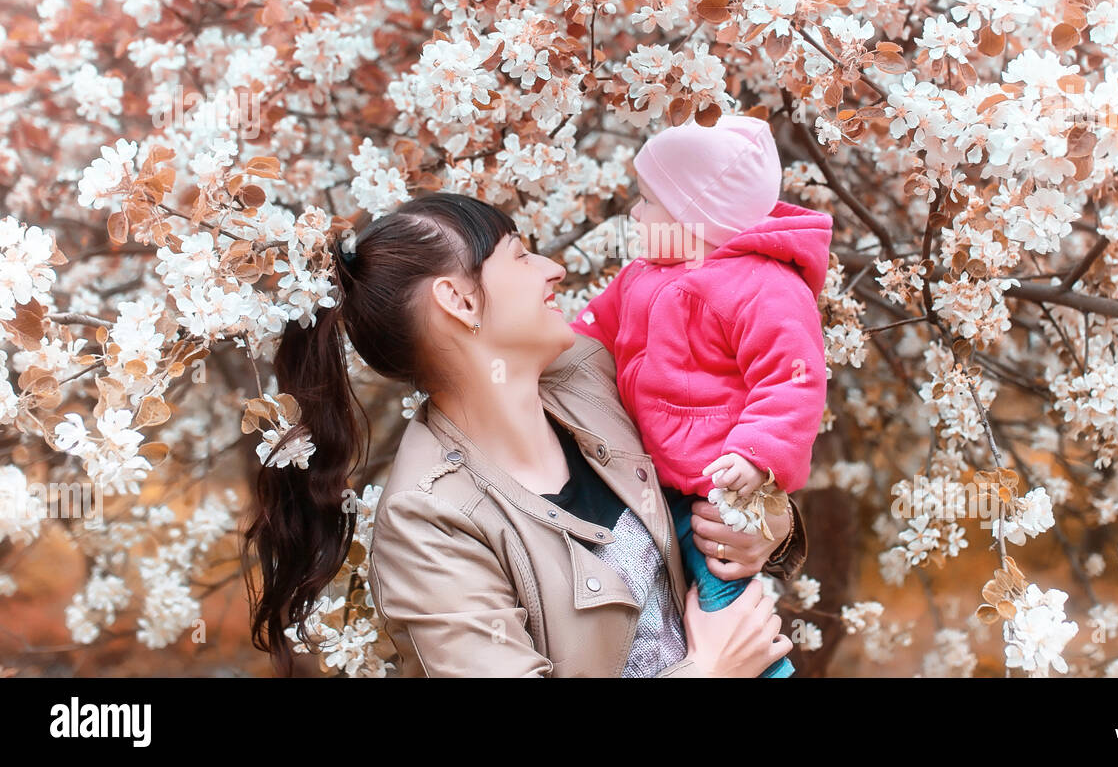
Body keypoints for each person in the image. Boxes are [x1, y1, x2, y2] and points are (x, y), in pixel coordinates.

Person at [243, 191, 806, 677]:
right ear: (459, 301)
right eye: (520, 255)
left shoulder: (594, 375)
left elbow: (709, 465)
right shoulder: (429, 520)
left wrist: (763, 522)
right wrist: (710, 672)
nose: (552, 268)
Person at [570, 113, 832, 677]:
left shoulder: (762, 286)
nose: (634, 214)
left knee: (722, 598)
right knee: (667, 594)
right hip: (650, 481)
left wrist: (756, 457)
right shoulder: (642, 275)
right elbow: (591, 335)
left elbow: (792, 379)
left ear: (696, 216)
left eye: (647, 200)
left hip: (718, 488)